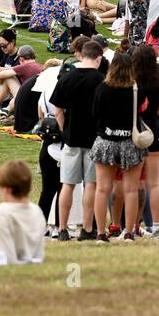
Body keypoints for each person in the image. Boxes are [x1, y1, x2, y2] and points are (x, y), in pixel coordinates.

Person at [51, 40, 104, 241]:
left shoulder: (67, 77)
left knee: (67, 184)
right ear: (98, 58)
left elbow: (58, 111)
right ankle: (87, 227)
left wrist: (66, 131)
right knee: (91, 185)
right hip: (94, 139)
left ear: (81, 55)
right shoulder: (101, 80)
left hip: (71, 138)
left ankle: (62, 228)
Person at [90, 51, 146, 241]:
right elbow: (143, 111)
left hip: (105, 140)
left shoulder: (102, 88)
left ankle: (100, 233)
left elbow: (95, 114)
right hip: (130, 141)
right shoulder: (136, 89)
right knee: (131, 189)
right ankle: (129, 232)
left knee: (102, 189)